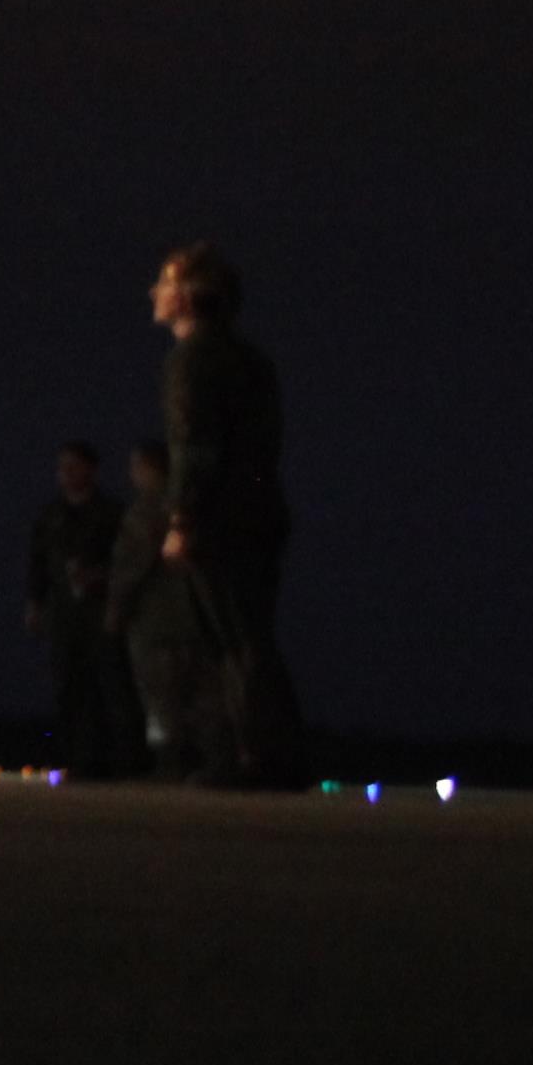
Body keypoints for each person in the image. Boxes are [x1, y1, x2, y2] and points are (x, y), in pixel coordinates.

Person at [154, 239, 301, 787]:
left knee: (230, 641)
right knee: (252, 637)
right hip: (260, 512)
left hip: (222, 519)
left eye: (165, 284)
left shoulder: (191, 360)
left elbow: (195, 446)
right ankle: (274, 754)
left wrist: (181, 519)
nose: (155, 293)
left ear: (189, 299)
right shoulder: (251, 359)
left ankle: (252, 759)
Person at [24, 439, 132, 777]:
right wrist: (35, 603)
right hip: (63, 612)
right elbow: (38, 562)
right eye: (62, 468)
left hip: (101, 610)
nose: (67, 474)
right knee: (67, 685)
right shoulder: (50, 515)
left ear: (91, 469)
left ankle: (120, 761)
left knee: (110, 684)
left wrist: (101, 577)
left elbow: (126, 561)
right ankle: (75, 759)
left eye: (74, 466)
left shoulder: (112, 513)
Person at [105, 439, 207, 775]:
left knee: (161, 699)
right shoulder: (191, 509)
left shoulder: (146, 511)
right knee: (196, 695)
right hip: (194, 620)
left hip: (155, 622)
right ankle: (202, 759)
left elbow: (130, 567)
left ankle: (169, 763)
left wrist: (115, 610)